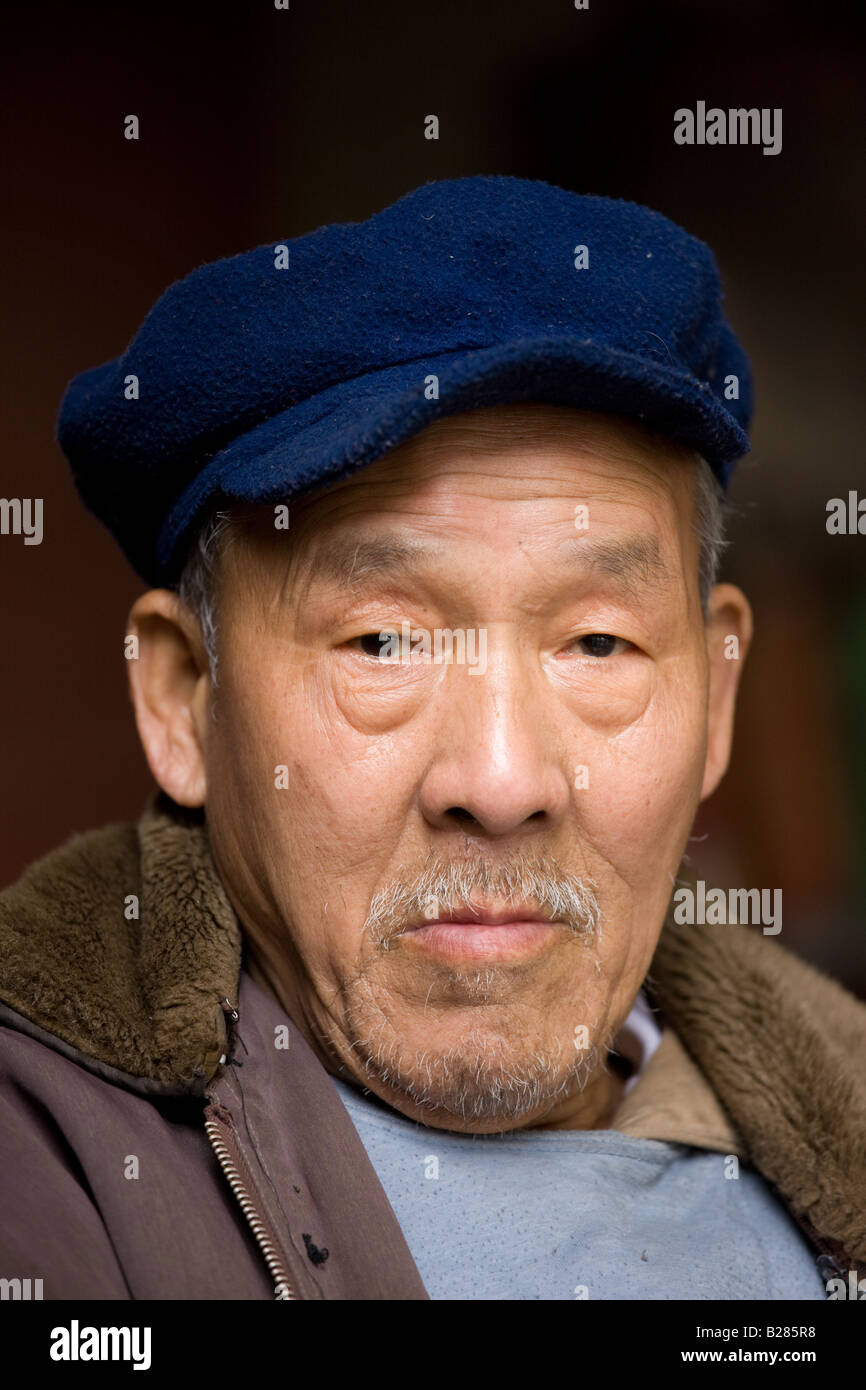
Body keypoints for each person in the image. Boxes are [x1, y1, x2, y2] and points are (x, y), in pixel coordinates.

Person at [1, 176, 863, 1301]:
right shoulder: (44, 1177)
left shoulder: (834, 1108)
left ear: (715, 692)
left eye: (596, 644)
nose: (500, 782)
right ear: (183, 697)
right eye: (379, 643)